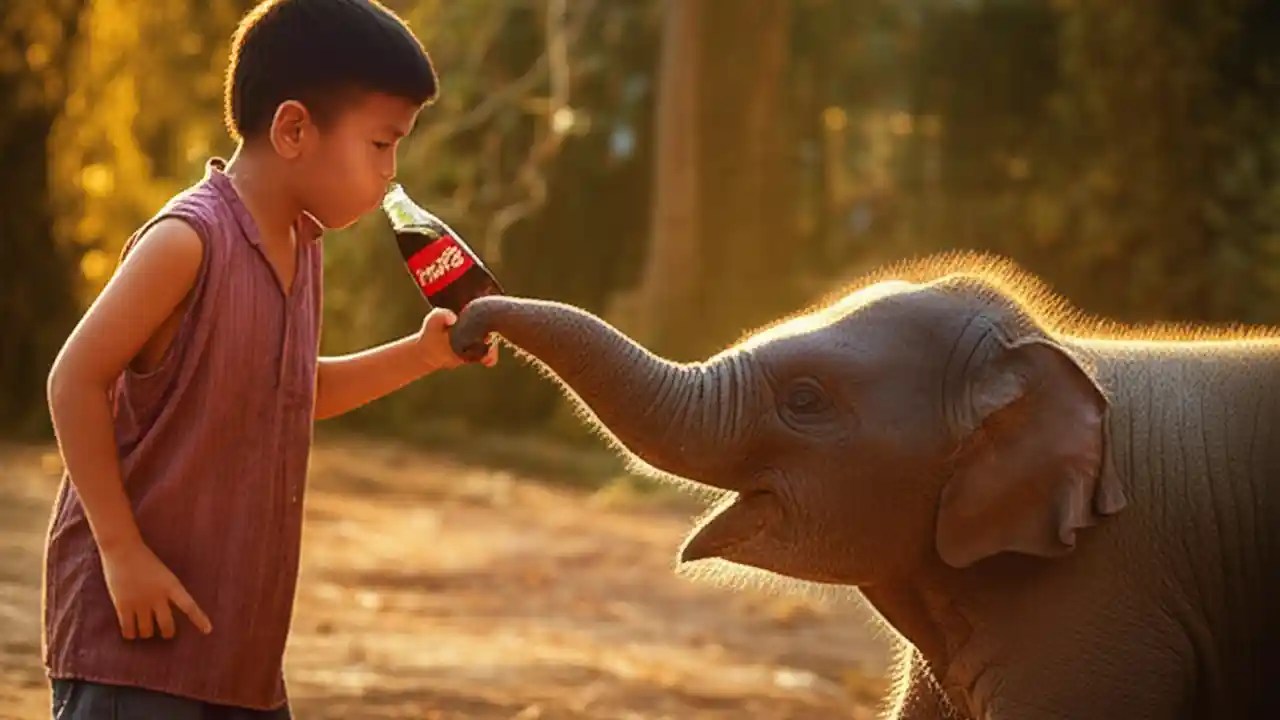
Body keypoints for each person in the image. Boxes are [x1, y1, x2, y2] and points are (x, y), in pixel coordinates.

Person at [42, 1, 494, 717]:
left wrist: (421, 355)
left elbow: (290, 390)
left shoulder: (302, 249)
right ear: (293, 130)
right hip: (135, 646)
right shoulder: (188, 242)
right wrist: (121, 552)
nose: (392, 172)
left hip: (238, 653)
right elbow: (75, 378)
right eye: (381, 144)